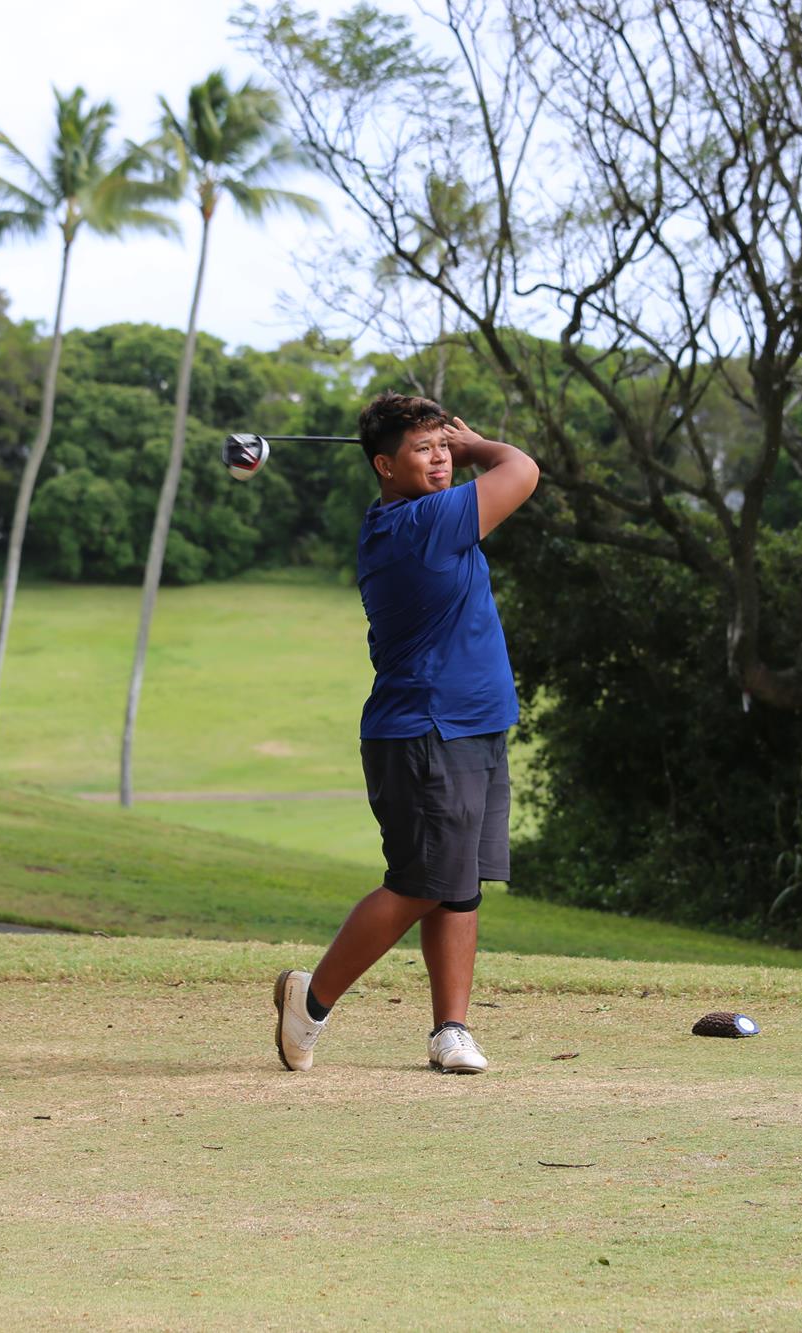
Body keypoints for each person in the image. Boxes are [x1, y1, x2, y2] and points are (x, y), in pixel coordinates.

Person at [274, 392, 540, 1075]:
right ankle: (312, 1000)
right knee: (421, 882)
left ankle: (450, 1029)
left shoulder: (416, 514)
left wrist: (455, 444)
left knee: (460, 885)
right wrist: (479, 442)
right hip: (427, 729)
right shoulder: (422, 522)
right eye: (425, 448)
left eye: (444, 445)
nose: (443, 457)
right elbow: (522, 469)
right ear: (384, 466)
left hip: (472, 724)